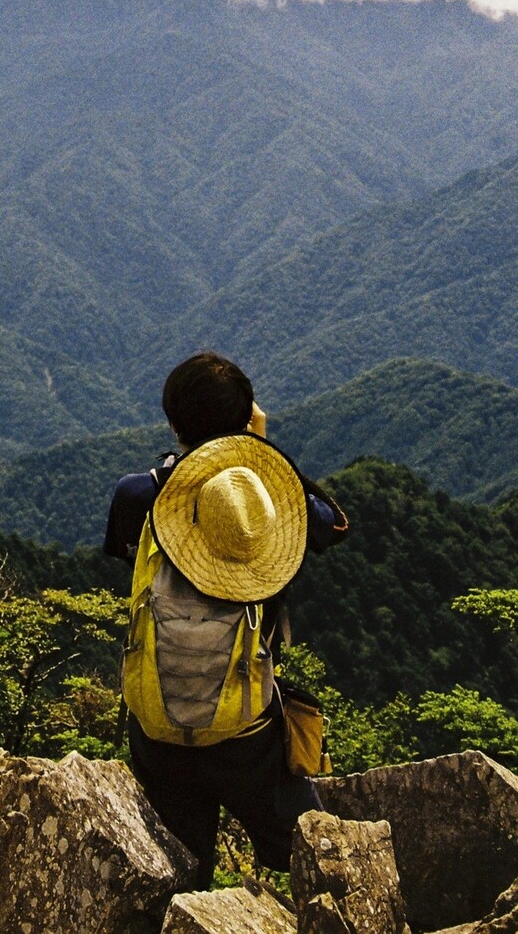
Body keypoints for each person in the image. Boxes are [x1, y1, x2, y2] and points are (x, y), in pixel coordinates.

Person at [104, 350, 347, 889]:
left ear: (171, 422)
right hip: (246, 732)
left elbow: (127, 556)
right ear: (244, 423)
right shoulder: (272, 509)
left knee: (179, 877)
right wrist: (262, 453)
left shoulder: (136, 495)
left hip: (157, 727)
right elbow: (332, 525)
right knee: (321, 850)